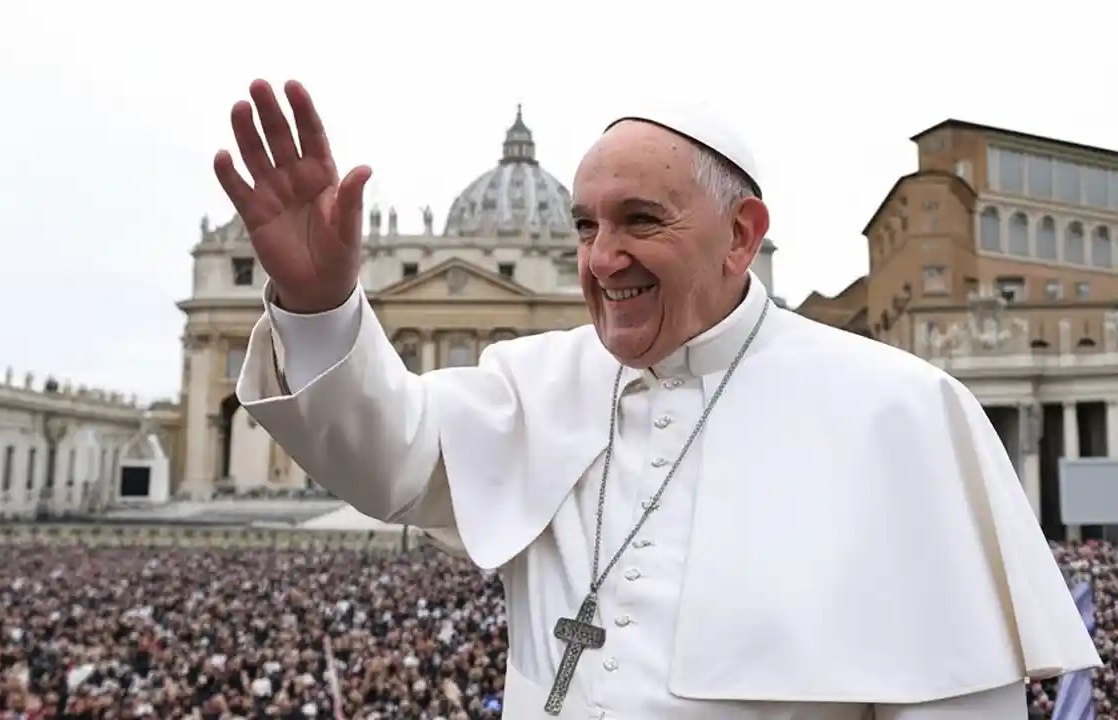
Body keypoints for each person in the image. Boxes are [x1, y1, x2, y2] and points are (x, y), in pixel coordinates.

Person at [215, 78, 1101, 719]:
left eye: (640, 221)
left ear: (742, 236)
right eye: (585, 226)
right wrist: (323, 307)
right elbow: (388, 453)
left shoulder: (902, 410)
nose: (601, 259)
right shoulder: (535, 380)